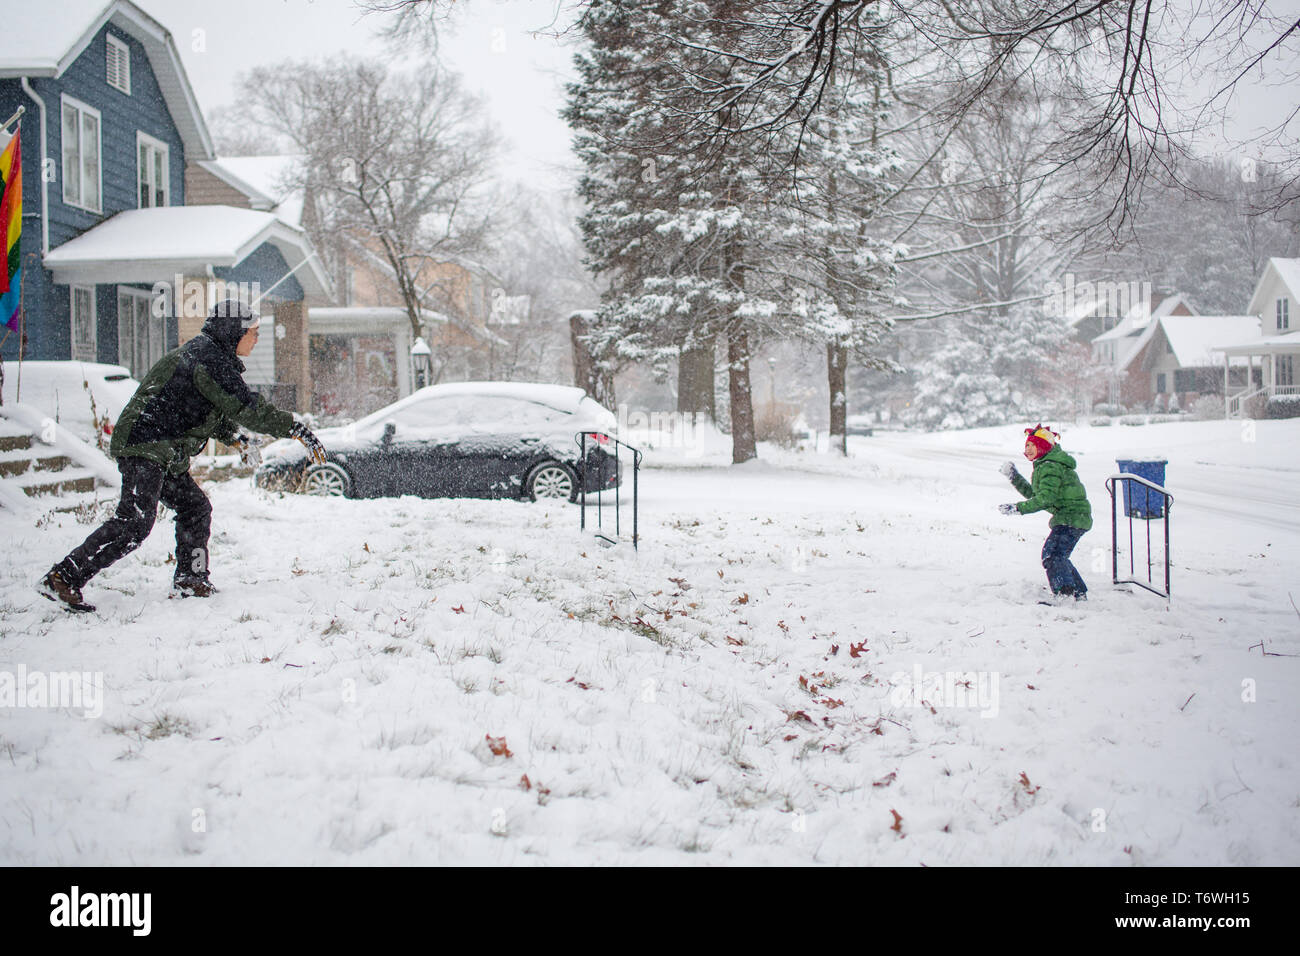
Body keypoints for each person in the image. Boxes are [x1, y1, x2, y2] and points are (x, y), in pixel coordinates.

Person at [39, 300, 327, 612]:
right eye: (253, 333)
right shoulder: (210, 359)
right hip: (145, 443)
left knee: (195, 508)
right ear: (235, 332)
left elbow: (205, 409)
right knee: (135, 522)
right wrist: (296, 429)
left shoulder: (211, 356)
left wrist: (235, 438)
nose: (256, 339)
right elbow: (247, 407)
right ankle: (64, 577)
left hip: (163, 449)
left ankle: (192, 578)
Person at [997, 424, 1092, 602]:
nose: (1028, 449)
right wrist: (1014, 477)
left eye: (1033, 445)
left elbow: (1046, 499)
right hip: (1072, 516)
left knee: (1053, 555)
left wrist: (1018, 508)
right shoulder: (1045, 464)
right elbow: (1036, 495)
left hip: (1072, 516)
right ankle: (1078, 593)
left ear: (1044, 446)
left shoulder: (1051, 466)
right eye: (1026, 445)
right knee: (1057, 555)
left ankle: (1065, 594)